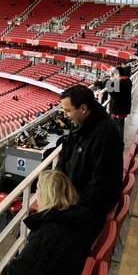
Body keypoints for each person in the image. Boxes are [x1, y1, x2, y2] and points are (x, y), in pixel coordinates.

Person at [0, 171, 95, 275]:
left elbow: (23, 273)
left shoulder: (49, 231)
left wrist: (10, 272)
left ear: (47, 195)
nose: (37, 194)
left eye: (38, 189)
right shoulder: (77, 220)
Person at [53, 85, 124, 225]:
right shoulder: (81, 122)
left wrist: (72, 200)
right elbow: (66, 152)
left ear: (83, 109)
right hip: (76, 195)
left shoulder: (106, 135)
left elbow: (102, 186)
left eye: (68, 111)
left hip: (89, 208)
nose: (66, 115)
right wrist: (59, 179)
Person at [106, 65, 132, 135]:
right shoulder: (128, 80)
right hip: (123, 108)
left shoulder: (120, 83)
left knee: (117, 128)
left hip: (118, 110)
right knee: (120, 126)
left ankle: (118, 143)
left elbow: (112, 92)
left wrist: (109, 82)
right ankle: (119, 142)